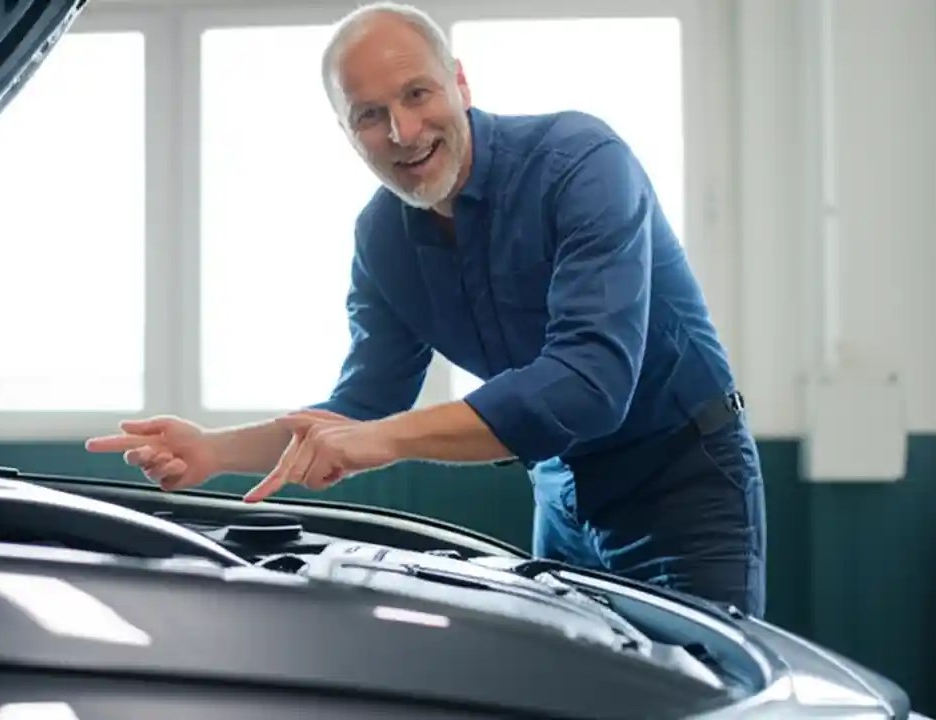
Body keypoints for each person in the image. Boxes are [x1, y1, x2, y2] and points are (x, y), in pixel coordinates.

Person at [86, 1, 767, 617]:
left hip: (683, 480)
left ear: (460, 83)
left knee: (707, 691)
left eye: (417, 94)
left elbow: (591, 385)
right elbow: (363, 408)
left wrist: (388, 439)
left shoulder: (581, 162)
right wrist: (214, 450)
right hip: (558, 492)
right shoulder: (381, 237)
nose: (403, 131)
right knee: (571, 692)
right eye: (369, 115)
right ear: (347, 131)